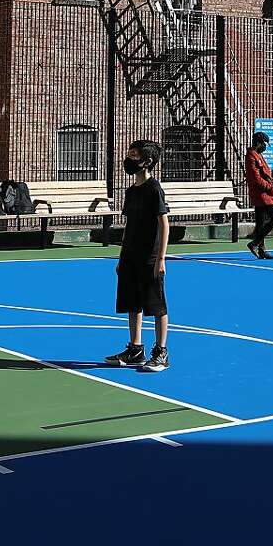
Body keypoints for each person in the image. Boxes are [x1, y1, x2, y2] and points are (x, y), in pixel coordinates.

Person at [105, 139, 170, 372]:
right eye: (129, 154)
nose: (129, 159)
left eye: (134, 155)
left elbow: (164, 224)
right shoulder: (131, 191)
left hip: (149, 256)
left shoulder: (154, 189)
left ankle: (161, 352)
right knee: (132, 302)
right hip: (130, 256)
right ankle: (135, 349)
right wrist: (121, 257)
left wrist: (161, 258)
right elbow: (129, 226)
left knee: (156, 305)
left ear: (147, 161)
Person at [245, 131, 273, 260]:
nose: (265, 147)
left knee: (261, 222)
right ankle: (254, 243)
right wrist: (268, 186)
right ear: (259, 143)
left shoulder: (258, 155)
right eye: (264, 144)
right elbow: (255, 178)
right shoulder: (251, 156)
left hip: (265, 193)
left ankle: (261, 249)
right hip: (261, 193)